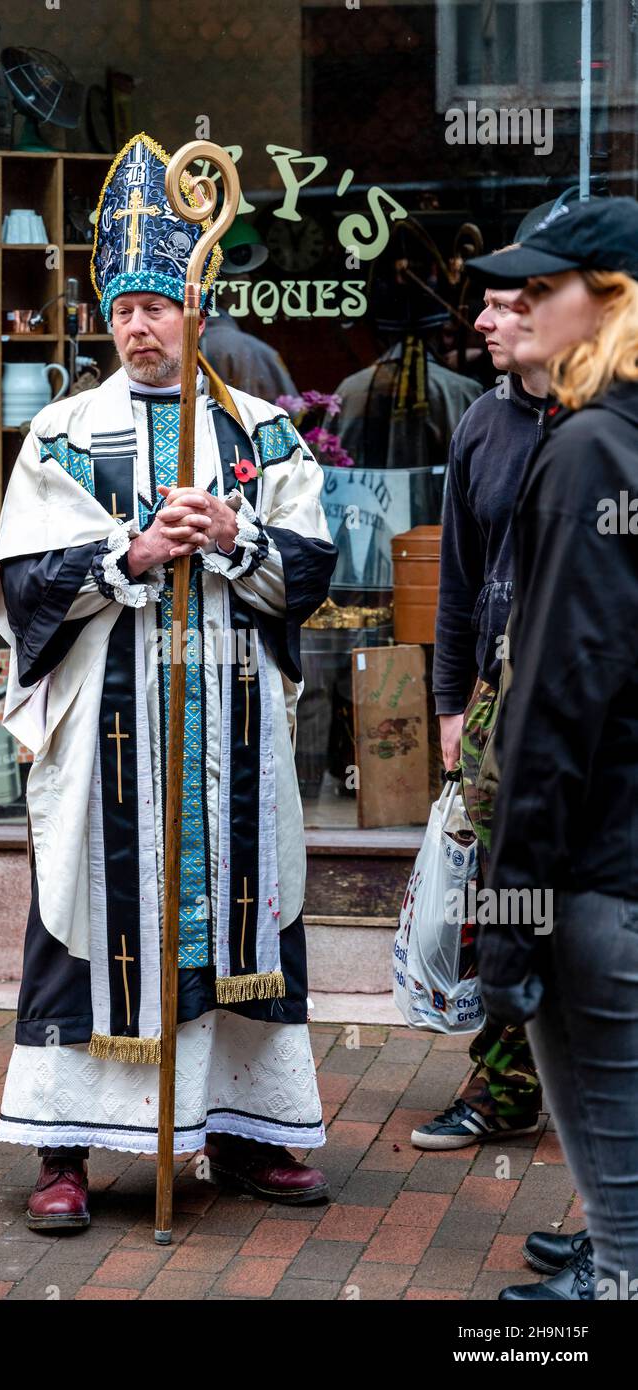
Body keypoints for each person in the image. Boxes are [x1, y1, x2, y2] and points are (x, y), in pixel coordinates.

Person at [0, 132, 338, 1231]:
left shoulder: (260, 433)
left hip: (228, 722)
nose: (139, 325)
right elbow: (20, 579)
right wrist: (125, 557)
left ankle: (242, 1128)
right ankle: (64, 1150)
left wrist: (235, 531)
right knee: (82, 913)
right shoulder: (62, 435)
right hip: (111, 737)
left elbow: (315, 566)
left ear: (197, 305)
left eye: (158, 304)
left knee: (246, 904)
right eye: (123, 305)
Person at [465, 196, 638, 1301]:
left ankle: (617, 1268)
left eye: (541, 287)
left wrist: (509, 909)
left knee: (608, 1098)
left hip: (591, 864)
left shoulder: (587, 452)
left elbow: (560, 698)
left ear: (611, 304)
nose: (514, 305)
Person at [413, 253, 552, 1151]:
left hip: (588, 698)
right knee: (506, 896)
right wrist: (452, 704)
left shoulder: (606, 426)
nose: (481, 324)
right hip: (501, 698)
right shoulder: (482, 426)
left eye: (501, 308)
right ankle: (505, 1085)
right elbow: (459, 580)